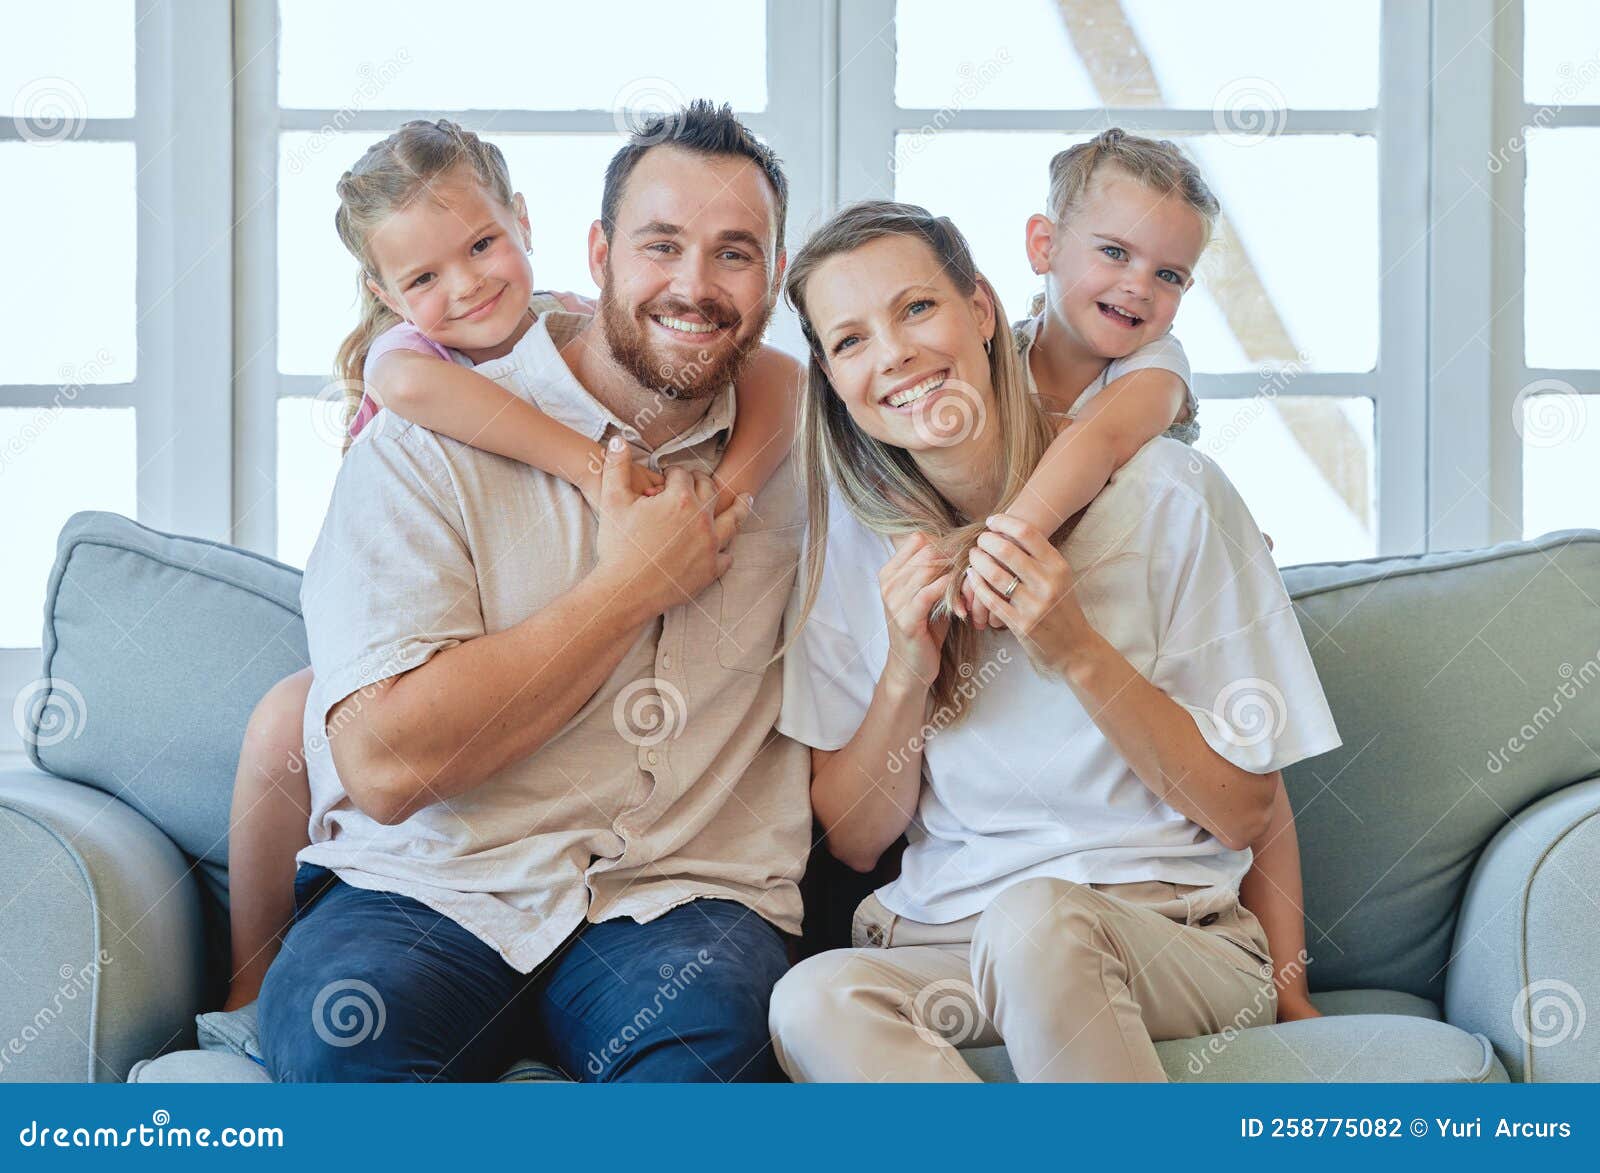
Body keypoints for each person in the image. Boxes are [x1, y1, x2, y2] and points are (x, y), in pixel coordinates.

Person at [254, 102, 810, 1082]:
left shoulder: (805, 453)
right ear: (599, 252)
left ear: (772, 274)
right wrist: (631, 586)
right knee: (343, 1041)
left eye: (735, 253)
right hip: (430, 888)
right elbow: (384, 769)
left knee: (710, 1059)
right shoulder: (421, 435)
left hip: (677, 896)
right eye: (660, 244)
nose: (693, 283)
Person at [767, 201, 1342, 1081]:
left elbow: (1242, 809)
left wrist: (1076, 648)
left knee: (1035, 923)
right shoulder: (848, 542)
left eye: (917, 309)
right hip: (948, 945)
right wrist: (905, 675)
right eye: (849, 342)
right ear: (833, 379)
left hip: (1165, 936)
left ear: (984, 309)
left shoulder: (1174, 495)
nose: (894, 355)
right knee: (810, 999)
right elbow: (853, 839)